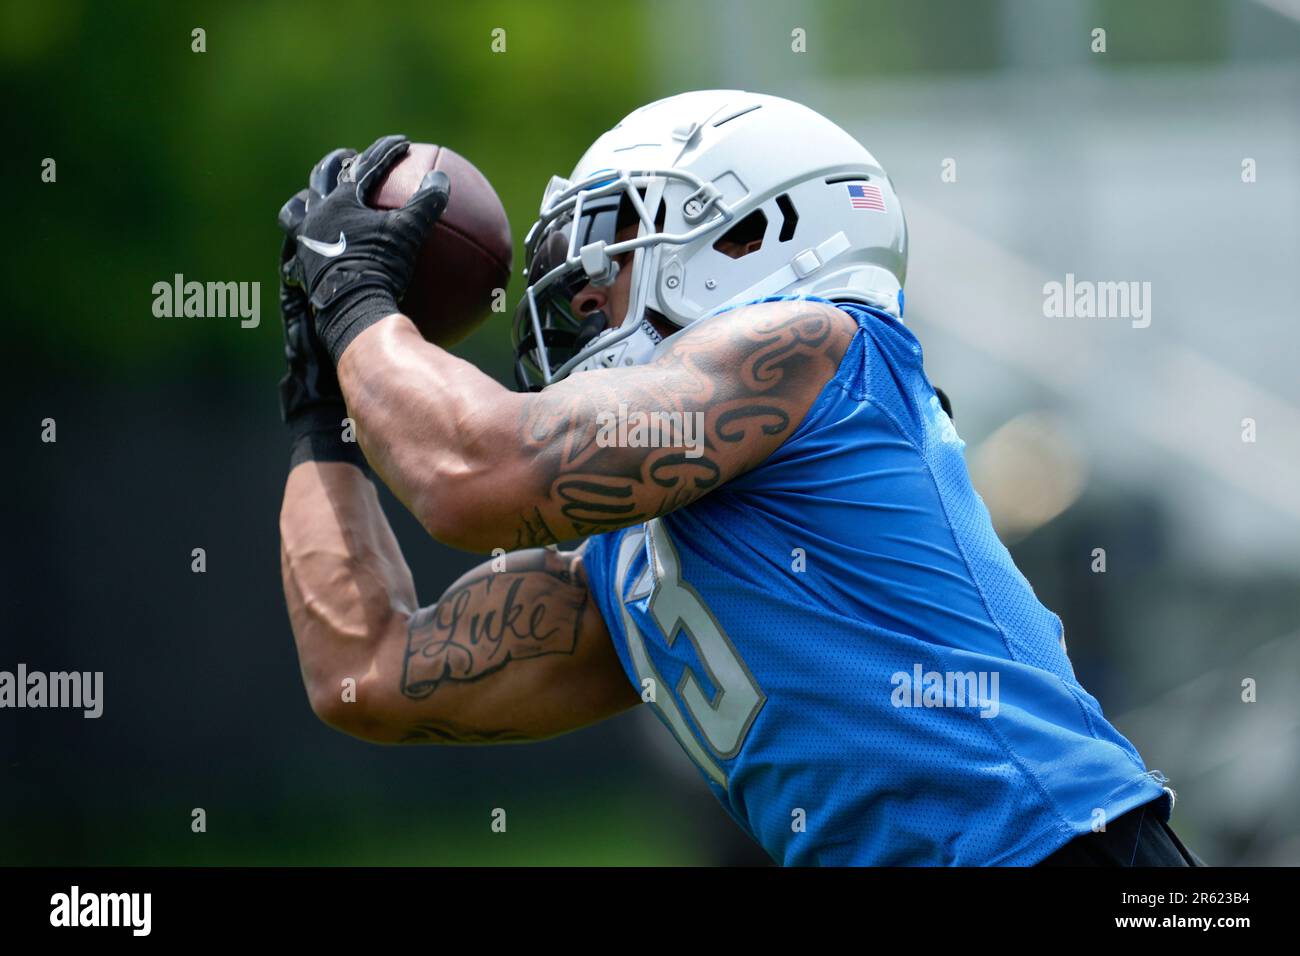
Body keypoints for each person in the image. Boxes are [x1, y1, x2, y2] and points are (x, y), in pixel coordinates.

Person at [275, 90, 1202, 866]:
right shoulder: (632, 559)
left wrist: (354, 301)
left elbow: (476, 474)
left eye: (617, 235)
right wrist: (324, 417)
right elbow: (364, 669)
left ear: (755, 228)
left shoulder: (815, 346)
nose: (583, 289)